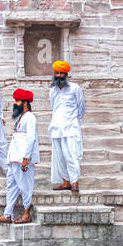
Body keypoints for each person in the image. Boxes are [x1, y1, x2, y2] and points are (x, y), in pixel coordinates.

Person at [0, 89, 39, 225]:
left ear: (25, 103)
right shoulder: (21, 117)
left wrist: (26, 157)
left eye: (17, 101)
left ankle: (26, 214)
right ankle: (7, 214)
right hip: (14, 158)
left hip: (23, 159)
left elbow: (31, 139)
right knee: (11, 186)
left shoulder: (30, 117)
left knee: (25, 185)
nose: (15, 103)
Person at [49, 59, 85, 192]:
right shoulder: (53, 90)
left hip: (70, 127)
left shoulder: (75, 88)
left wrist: (76, 122)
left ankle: (74, 182)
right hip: (56, 127)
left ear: (65, 74)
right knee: (59, 157)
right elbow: (54, 107)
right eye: (56, 73)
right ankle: (65, 182)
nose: (58, 75)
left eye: (60, 73)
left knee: (71, 155)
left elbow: (81, 107)